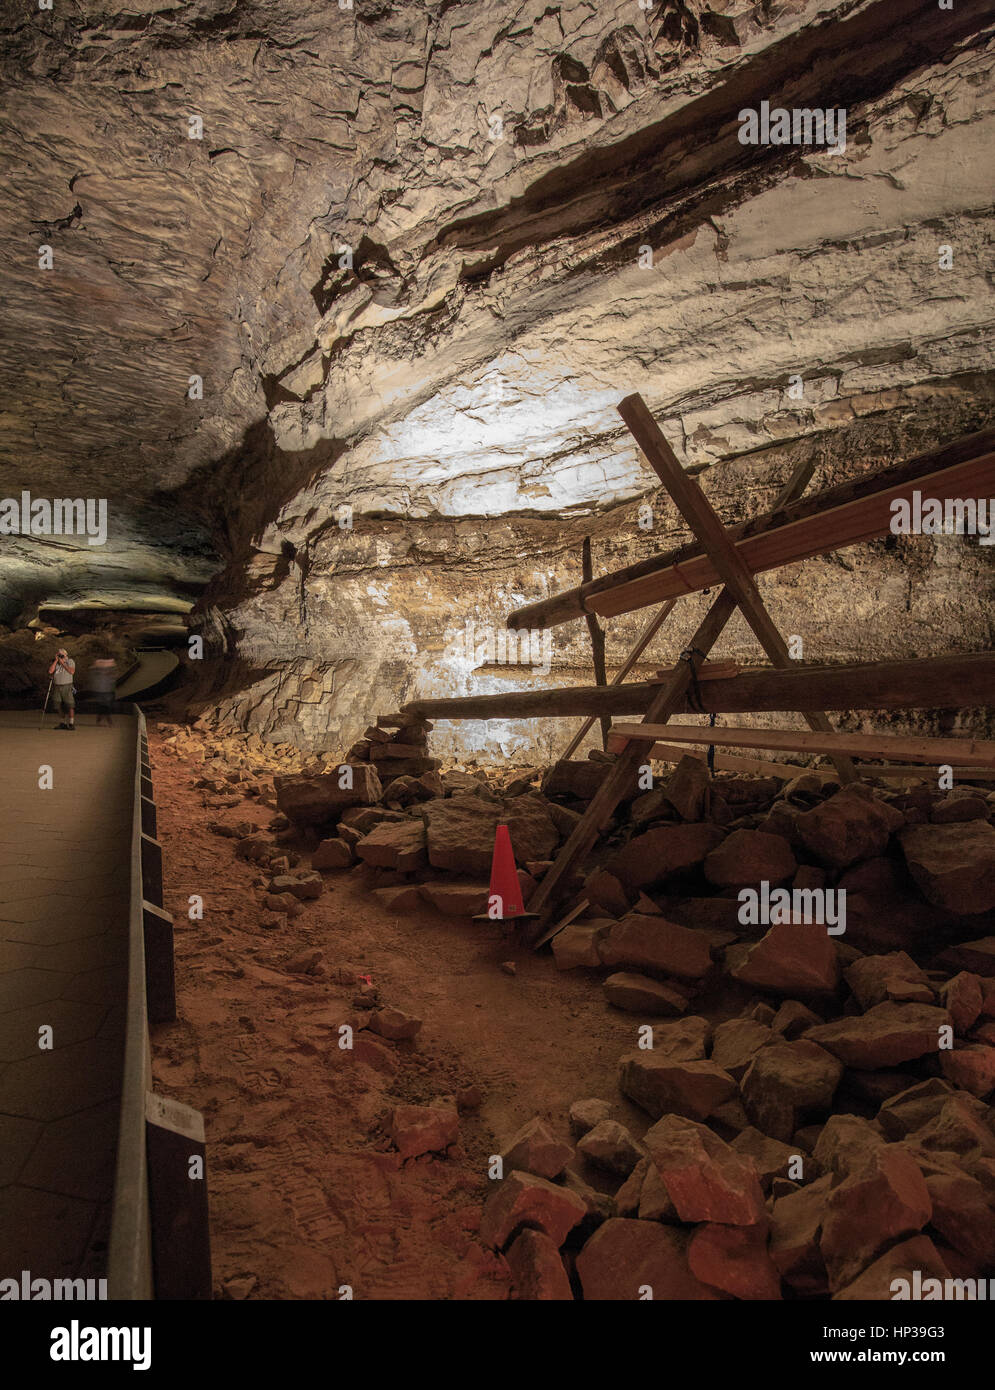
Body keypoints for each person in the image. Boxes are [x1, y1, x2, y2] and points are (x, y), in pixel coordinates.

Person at [49, 648, 76, 730]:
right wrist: (56, 661)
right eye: (58, 654)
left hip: (67, 685)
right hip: (57, 686)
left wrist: (63, 663)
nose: (59, 655)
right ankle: (62, 722)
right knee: (58, 704)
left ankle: (71, 723)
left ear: (65, 654)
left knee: (70, 704)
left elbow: (71, 671)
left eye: (61, 654)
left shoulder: (70, 661)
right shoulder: (56, 662)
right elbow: (50, 671)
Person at [88, 653, 118, 726]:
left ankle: (102, 720)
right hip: (102, 690)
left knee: (104, 706)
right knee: (104, 706)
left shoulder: (99, 672)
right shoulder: (99, 673)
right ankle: (108, 721)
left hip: (105, 690)